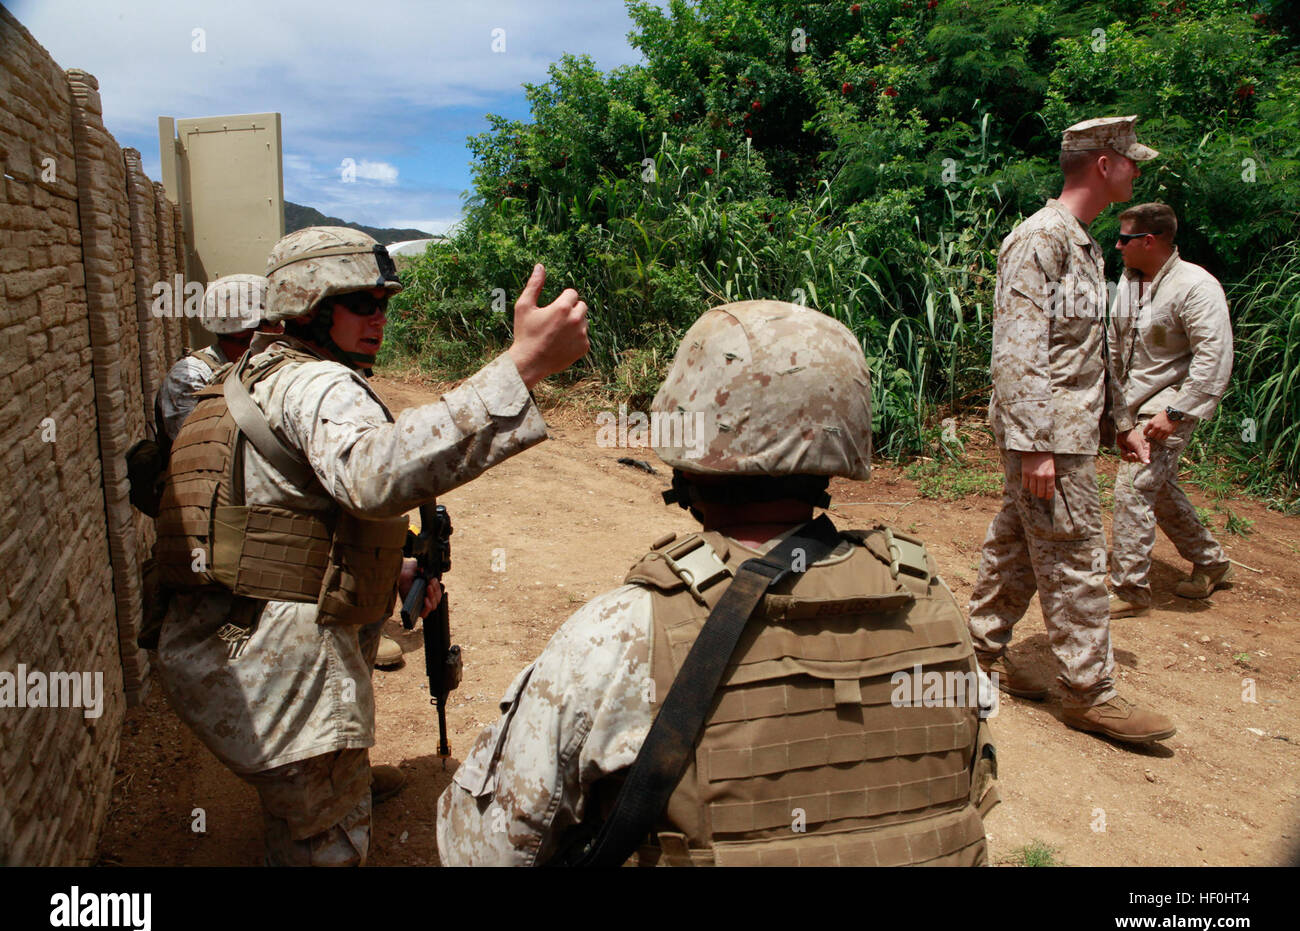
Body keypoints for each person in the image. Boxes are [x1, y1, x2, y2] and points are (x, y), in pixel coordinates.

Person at [437, 300, 998, 867]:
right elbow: (970, 796)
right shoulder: (928, 599)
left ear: (686, 451)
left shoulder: (622, 633)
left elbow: (483, 852)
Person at [153, 226, 589, 865]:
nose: (379, 318)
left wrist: (394, 570)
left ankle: (333, 786)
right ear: (308, 307)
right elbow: (372, 475)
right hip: (284, 676)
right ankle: (327, 800)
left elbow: (283, 520)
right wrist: (523, 366)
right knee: (324, 847)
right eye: (361, 304)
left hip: (228, 646)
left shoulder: (252, 373)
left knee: (310, 799)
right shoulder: (317, 385)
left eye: (383, 303)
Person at [966, 116, 1176, 744]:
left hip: (1068, 431)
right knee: (1078, 557)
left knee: (1016, 546)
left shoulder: (1081, 241)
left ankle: (975, 655)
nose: (1137, 170)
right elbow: (1018, 348)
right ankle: (1089, 693)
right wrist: (1035, 445)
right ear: (1104, 164)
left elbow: (1086, 350)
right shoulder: (1041, 239)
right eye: (1130, 160)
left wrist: (1120, 423)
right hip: (1050, 437)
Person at [1107, 202, 1234, 616]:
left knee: (1133, 488)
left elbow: (1214, 358)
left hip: (1169, 408)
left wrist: (1176, 413)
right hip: (1132, 405)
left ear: (1149, 240)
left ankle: (1130, 590)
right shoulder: (1129, 282)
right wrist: (1115, 412)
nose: (1117, 245)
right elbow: (1114, 347)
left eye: (1124, 238)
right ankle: (1211, 561)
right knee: (1158, 491)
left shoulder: (1196, 286)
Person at [156, 274, 278, 442]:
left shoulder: (262, 365)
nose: (280, 330)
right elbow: (196, 448)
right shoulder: (189, 378)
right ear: (241, 330)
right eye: (273, 323)